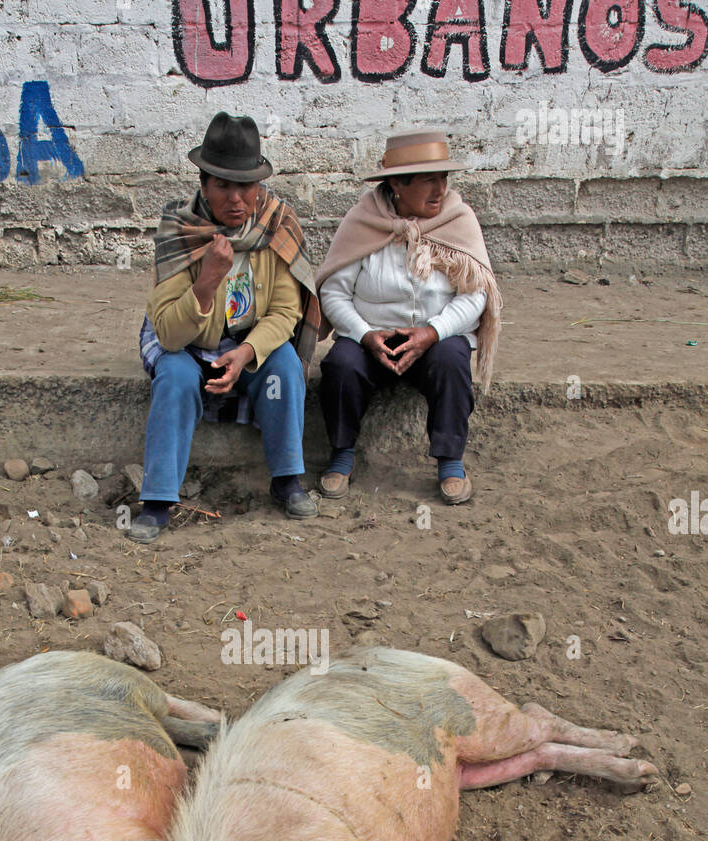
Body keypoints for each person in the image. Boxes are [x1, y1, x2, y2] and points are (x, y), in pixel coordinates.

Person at [132, 112, 320, 543]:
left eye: (246, 186)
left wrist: (246, 353)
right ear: (203, 186)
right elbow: (169, 334)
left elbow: (285, 312)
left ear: (259, 187)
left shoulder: (276, 226)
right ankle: (159, 499)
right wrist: (207, 281)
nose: (236, 199)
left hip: (248, 342)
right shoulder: (180, 231)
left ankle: (287, 479)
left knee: (285, 367)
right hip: (190, 344)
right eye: (223, 186)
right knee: (175, 376)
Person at [316, 129, 501, 505]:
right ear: (397, 184)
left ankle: (450, 461)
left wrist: (432, 333)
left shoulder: (457, 221)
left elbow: (475, 295)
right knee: (340, 364)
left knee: (452, 359)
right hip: (371, 341)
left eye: (444, 179)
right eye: (429, 180)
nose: (440, 189)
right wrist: (365, 334)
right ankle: (342, 453)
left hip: (434, 342)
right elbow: (333, 292)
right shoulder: (364, 223)